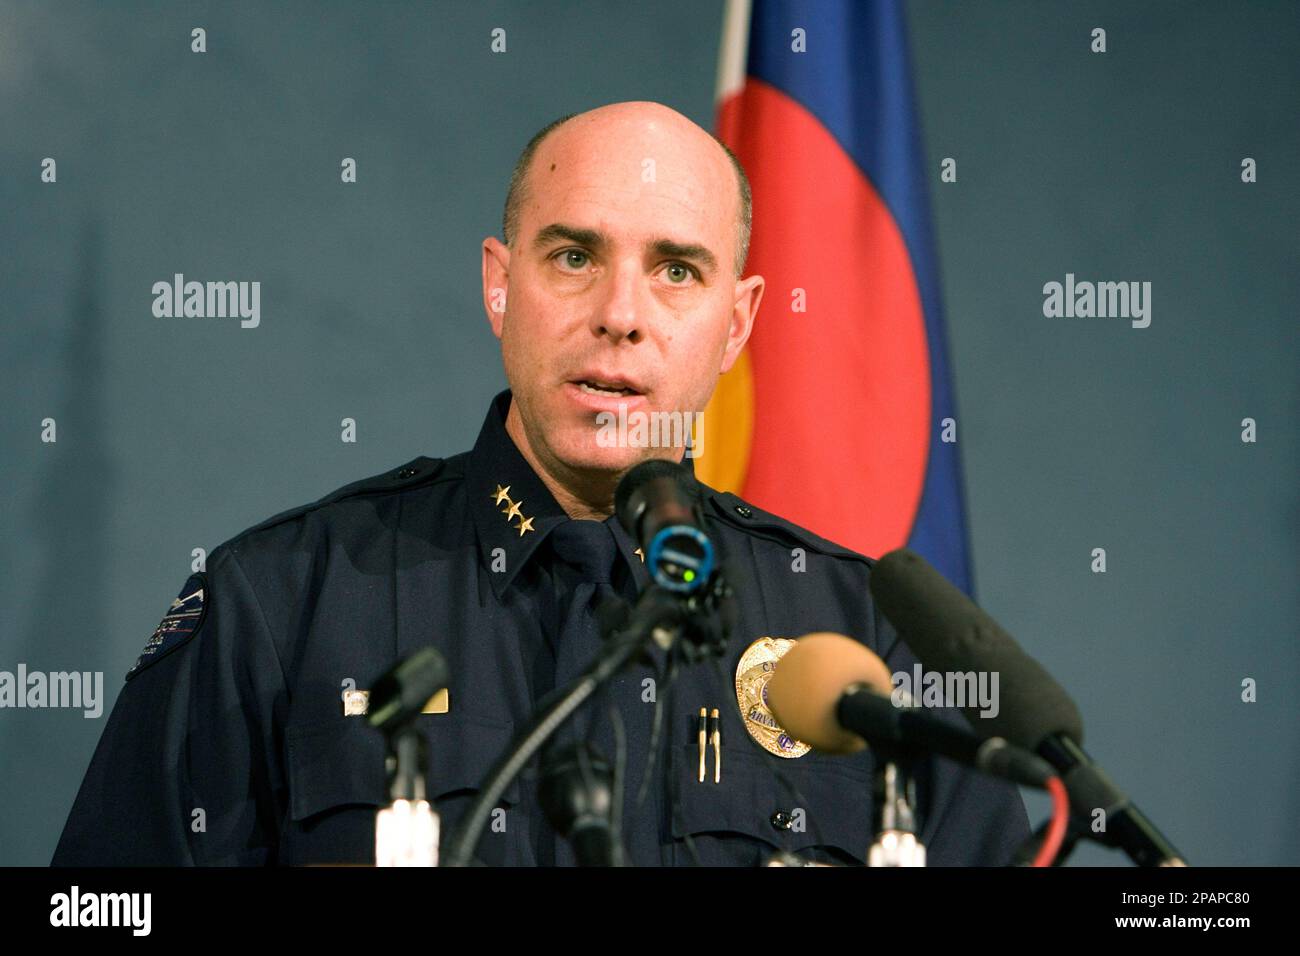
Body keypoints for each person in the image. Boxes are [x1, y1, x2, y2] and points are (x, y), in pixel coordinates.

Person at [52, 101, 1029, 866]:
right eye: (573, 255)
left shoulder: (864, 641)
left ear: (735, 324)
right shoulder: (276, 603)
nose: (619, 314)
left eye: (676, 270)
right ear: (499, 283)